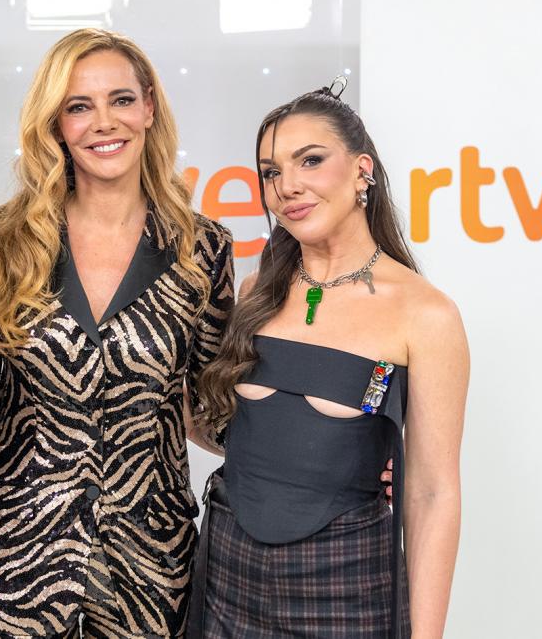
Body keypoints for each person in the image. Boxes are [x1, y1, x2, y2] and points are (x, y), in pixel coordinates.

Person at [0, 28, 235, 637]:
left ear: (149, 108)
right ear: (56, 124)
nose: (103, 122)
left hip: (151, 564)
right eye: (79, 106)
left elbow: (213, 408)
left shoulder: (203, 248)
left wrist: (332, 456)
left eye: (121, 99)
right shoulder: (5, 241)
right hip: (18, 558)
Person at [187, 81, 469, 639]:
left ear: (362, 170)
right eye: (271, 172)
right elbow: (230, 432)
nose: (287, 186)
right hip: (225, 573)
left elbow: (433, 493)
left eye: (310, 160)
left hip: (346, 585)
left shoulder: (426, 314)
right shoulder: (255, 291)